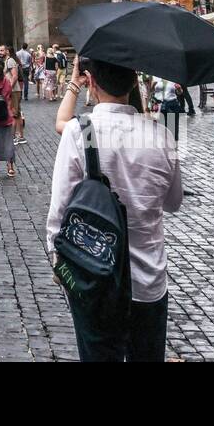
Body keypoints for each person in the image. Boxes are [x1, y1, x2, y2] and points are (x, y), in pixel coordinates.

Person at [47, 56, 183, 362]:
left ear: (92, 83)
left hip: (95, 277)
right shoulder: (162, 134)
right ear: (134, 82)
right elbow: (174, 203)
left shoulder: (81, 131)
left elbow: (59, 209)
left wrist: (59, 263)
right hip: (148, 280)